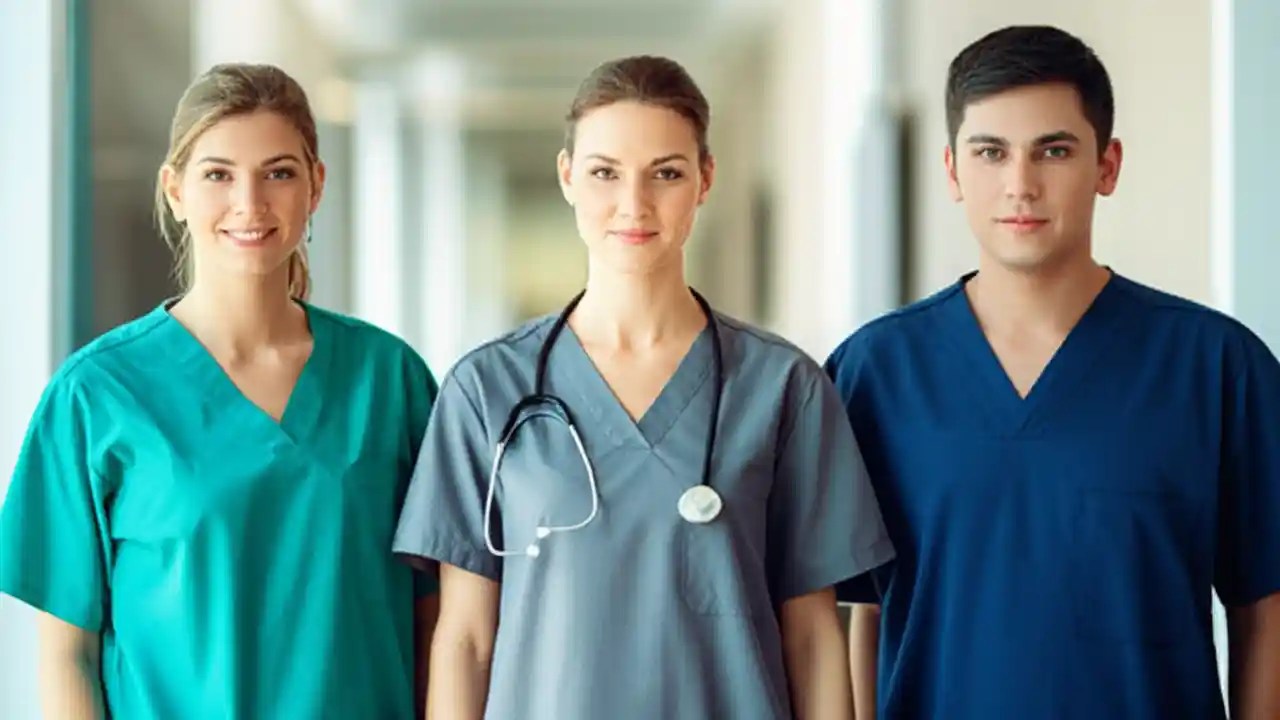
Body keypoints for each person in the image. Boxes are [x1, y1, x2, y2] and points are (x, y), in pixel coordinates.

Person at [392, 55, 894, 719]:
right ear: (568, 176)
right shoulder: (488, 389)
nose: (634, 204)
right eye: (605, 172)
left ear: (704, 179)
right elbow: (464, 640)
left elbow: (812, 637)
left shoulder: (781, 388)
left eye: (666, 173)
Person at [825, 25, 1280, 720]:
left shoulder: (1217, 369)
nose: (1021, 185)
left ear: (1107, 165)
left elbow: (1264, 613)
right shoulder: (874, 373)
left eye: (1054, 151)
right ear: (952, 170)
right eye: (991, 153)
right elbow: (859, 614)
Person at [0, 63, 438, 719]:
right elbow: (68, 655)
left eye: (279, 172)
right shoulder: (96, 394)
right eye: (218, 174)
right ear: (175, 190)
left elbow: (435, 620)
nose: (250, 203)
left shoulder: (389, 379)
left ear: (316, 186)